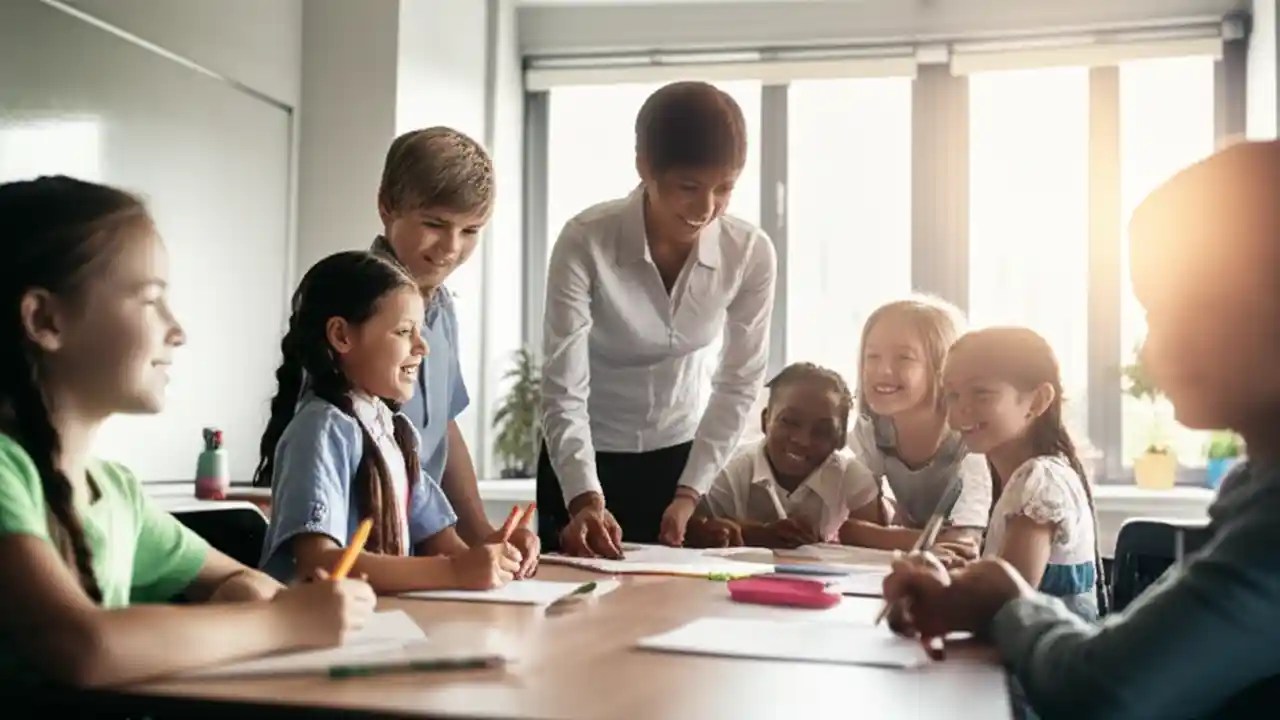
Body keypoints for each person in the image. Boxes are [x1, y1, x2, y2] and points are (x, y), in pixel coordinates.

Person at [883, 139, 1280, 719]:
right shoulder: (1253, 488)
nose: (1152, 347)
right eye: (1154, 312)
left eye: (1197, 305)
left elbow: (1104, 690)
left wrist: (1007, 601)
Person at [0, 177, 374, 689]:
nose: (177, 331)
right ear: (45, 319)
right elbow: (78, 647)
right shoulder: (6, 474)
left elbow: (239, 579)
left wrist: (249, 597)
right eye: (150, 300)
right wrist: (283, 621)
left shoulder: (115, 491)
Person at [538, 80, 777, 556]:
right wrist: (585, 499)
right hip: (581, 460)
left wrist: (691, 492)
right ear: (644, 166)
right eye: (689, 187)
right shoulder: (585, 241)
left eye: (724, 189)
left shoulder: (750, 253)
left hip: (680, 462)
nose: (706, 209)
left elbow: (739, 383)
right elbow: (563, 387)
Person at [256, 251, 520, 592]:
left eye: (420, 331)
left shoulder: (396, 432)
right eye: (404, 331)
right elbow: (317, 563)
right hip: (319, 620)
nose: (422, 347)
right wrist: (455, 572)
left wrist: (497, 556)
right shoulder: (322, 429)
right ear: (341, 336)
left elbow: (445, 545)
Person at [366, 127, 540, 577]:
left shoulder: (441, 307)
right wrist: (457, 554)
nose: (451, 248)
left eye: (470, 231)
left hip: (427, 554)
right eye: (434, 224)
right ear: (387, 206)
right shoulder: (356, 305)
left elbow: (442, 427)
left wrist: (484, 535)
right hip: (370, 556)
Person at [943, 327, 1103, 620]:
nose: (960, 408)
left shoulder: (1040, 481)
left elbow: (1007, 604)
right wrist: (971, 572)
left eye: (981, 393)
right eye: (952, 395)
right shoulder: (1017, 477)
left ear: (1038, 401)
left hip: (1046, 649)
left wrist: (936, 584)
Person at [845, 297, 992, 554]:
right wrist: (921, 540)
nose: (883, 370)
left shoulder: (972, 441)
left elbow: (963, 546)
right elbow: (853, 528)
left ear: (943, 368)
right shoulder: (873, 431)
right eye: (872, 356)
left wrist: (886, 536)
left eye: (904, 357)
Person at [686, 363, 884, 548]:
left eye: (822, 430)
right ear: (765, 421)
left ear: (840, 439)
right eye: (789, 421)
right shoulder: (729, 473)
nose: (803, 440)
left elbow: (872, 553)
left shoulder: (853, 479)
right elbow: (690, 531)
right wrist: (755, 534)